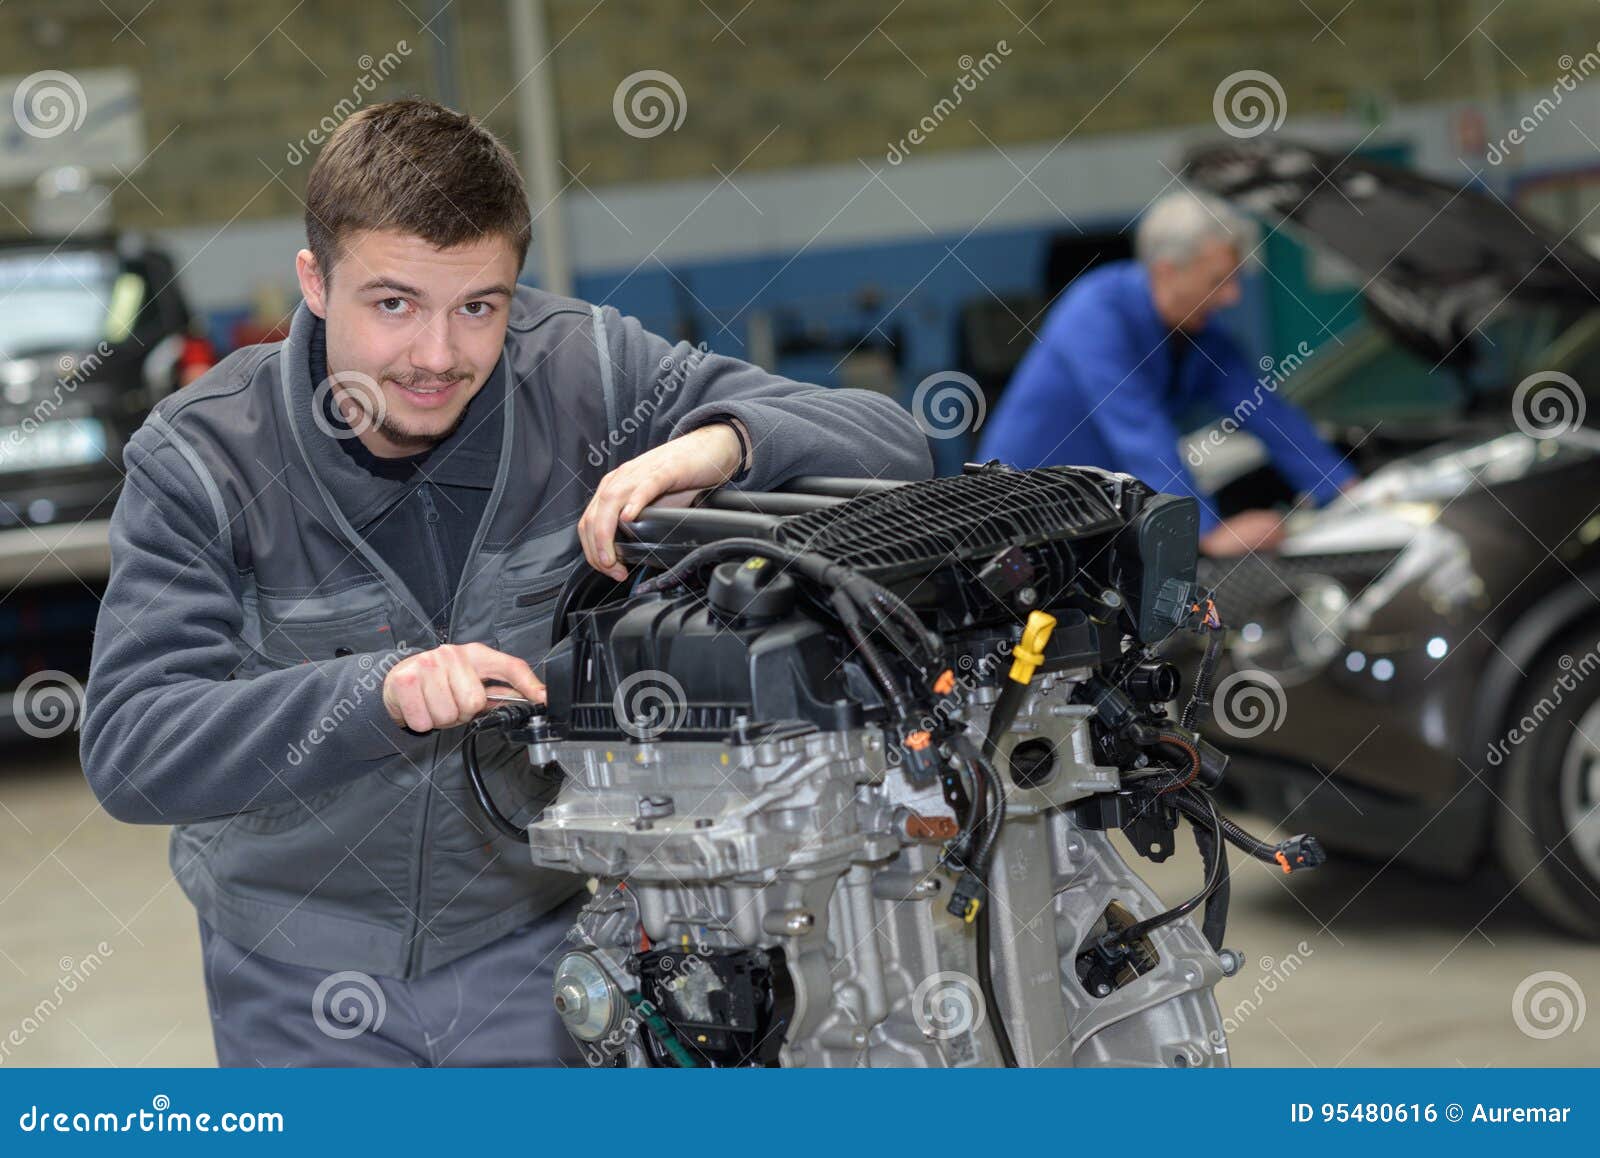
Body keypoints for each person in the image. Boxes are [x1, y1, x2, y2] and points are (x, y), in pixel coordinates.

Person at [80, 99, 932, 1067]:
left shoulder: (586, 375)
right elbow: (133, 745)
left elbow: (893, 441)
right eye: (393, 304)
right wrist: (374, 696)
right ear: (314, 283)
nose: (438, 357)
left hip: (540, 943)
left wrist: (720, 446)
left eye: (478, 306)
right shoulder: (205, 460)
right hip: (298, 971)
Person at [978, 191, 1355, 556]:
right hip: (1018, 515)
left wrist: (1343, 490)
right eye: (1218, 281)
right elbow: (1141, 431)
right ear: (1167, 271)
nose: (1232, 296)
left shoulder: (1201, 332)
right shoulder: (1095, 313)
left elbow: (1265, 410)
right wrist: (1203, 532)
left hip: (1094, 511)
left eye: (1235, 279)